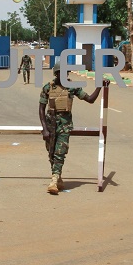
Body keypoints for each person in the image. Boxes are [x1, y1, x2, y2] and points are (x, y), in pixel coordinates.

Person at [39, 61, 107, 195]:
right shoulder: (48, 87)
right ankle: (58, 177)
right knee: (51, 152)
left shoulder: (73, 87)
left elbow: (90, 99)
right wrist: (45, 128)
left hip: (65, 124)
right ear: (56, 74)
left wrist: (99, 87)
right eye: (61, 73)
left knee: (60, 152)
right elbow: (41, 109)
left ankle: (53, 180)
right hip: (50, 123)